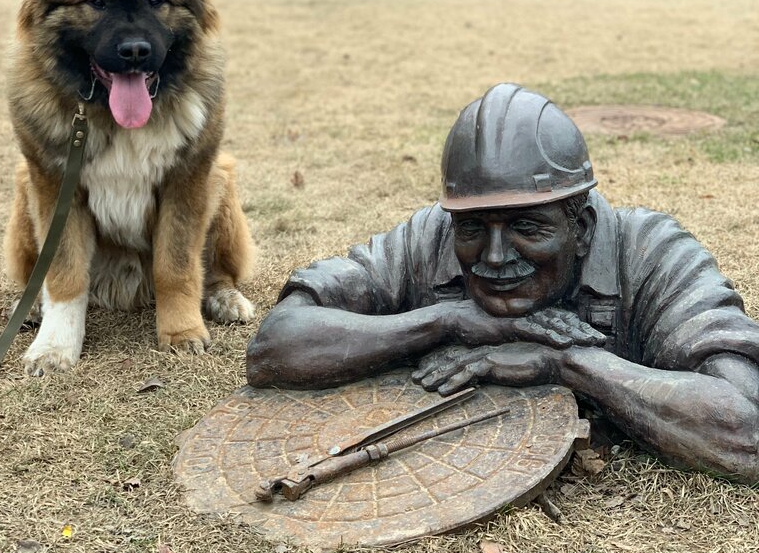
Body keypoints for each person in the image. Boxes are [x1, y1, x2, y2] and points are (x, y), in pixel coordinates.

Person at [246, 84, 759, 482]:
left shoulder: (654, 254)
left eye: (526, 227)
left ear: (579, 229)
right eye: (474, 228)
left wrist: (568, 363)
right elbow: (275, 346)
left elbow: (746, 428)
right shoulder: (429, 237)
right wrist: (449, 320)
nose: (493, 256)